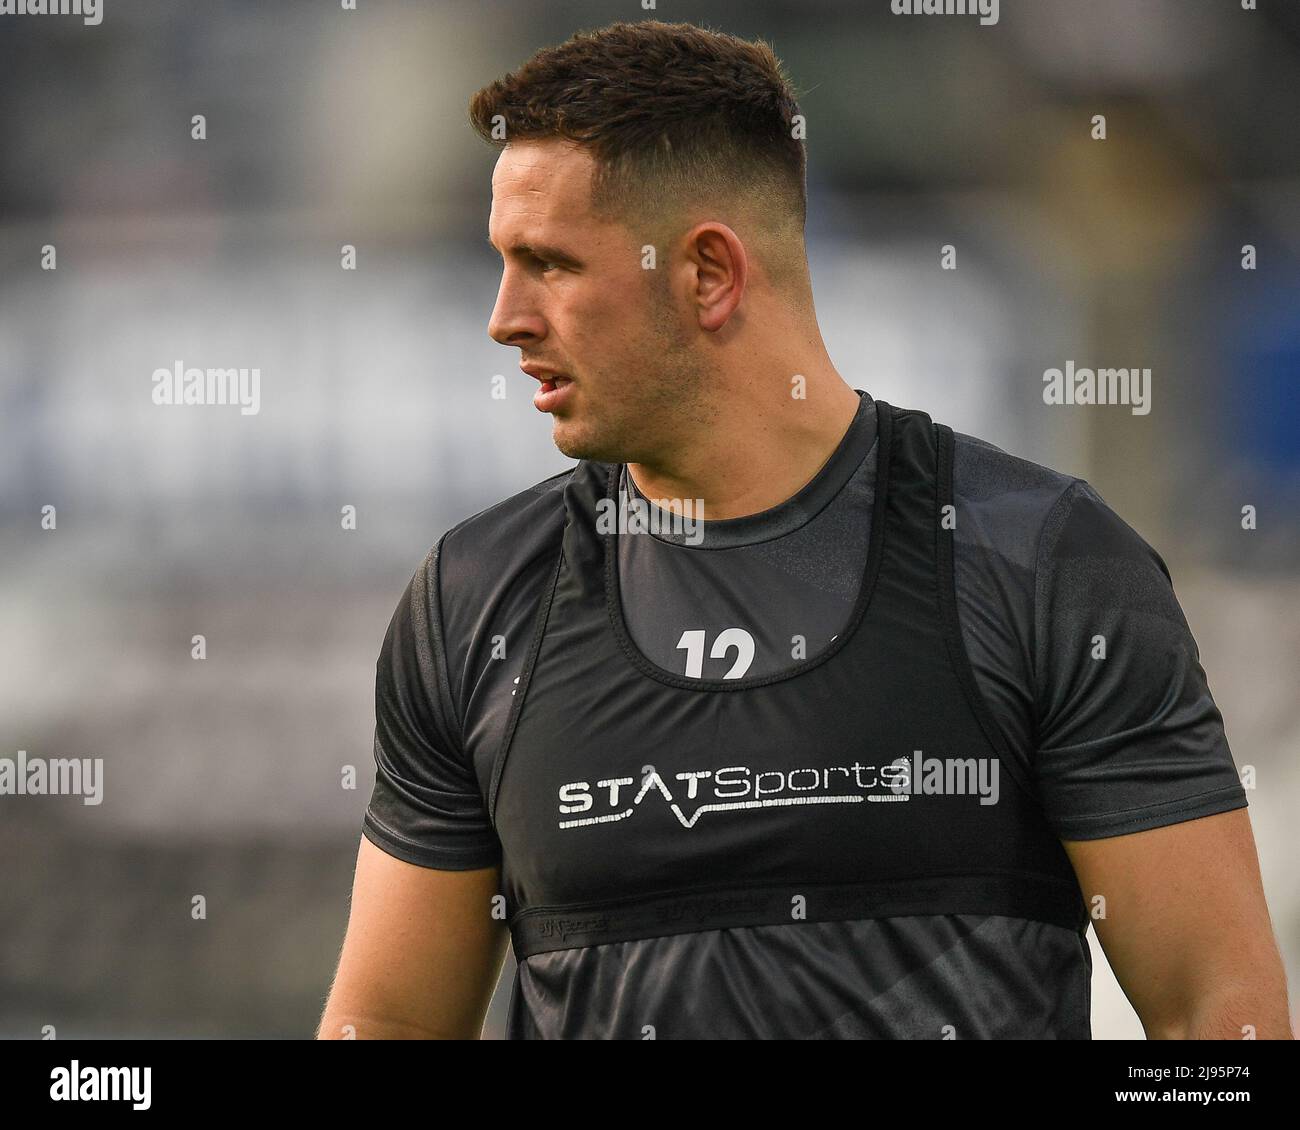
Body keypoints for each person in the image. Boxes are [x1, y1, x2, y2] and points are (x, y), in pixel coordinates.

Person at [318, 20, 1292, 1040]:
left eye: (548, 263)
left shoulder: (1042, 563)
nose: (505, 316)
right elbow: (384, 1022)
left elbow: (1217, 1022)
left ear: (707, 274)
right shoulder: (475, 599)